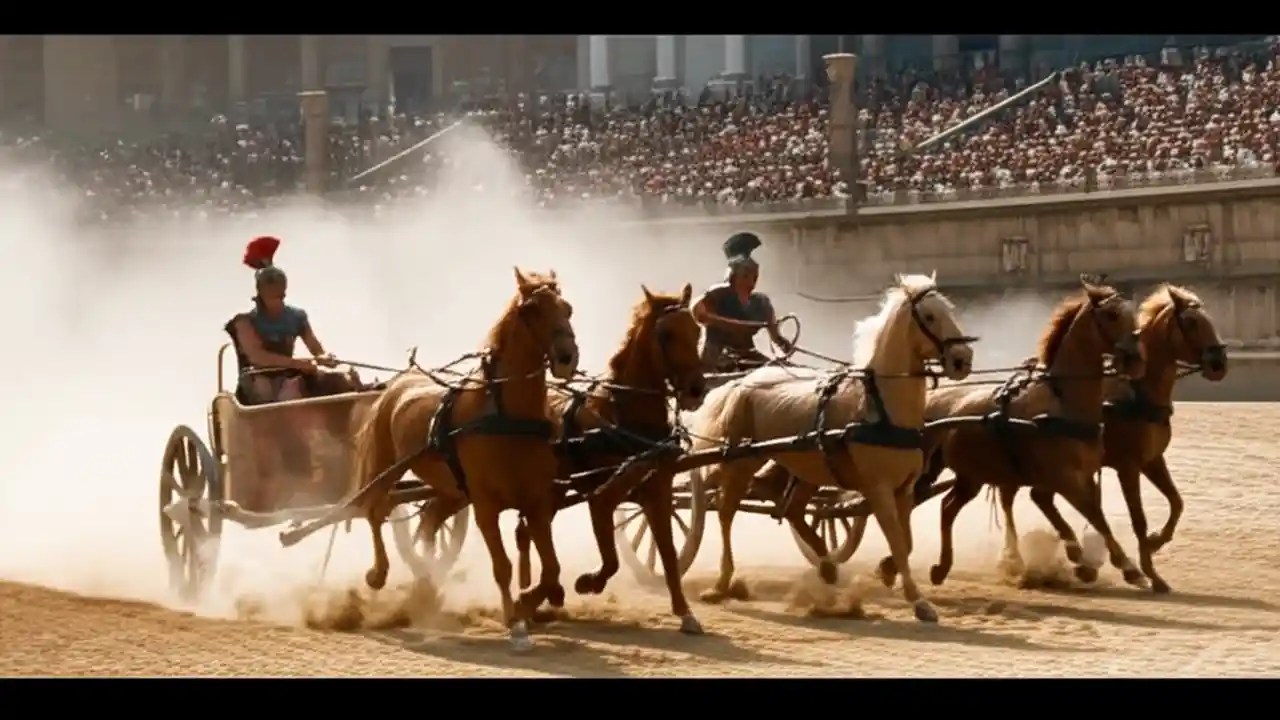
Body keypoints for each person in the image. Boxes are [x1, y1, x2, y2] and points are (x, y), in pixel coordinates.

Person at [224, 235, 350, 405]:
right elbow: (259, 358)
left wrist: (325, 358)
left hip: (290, 376)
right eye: (272, 297)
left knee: (340, 379)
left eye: (280, 296)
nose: (278, 302)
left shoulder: (297, 317)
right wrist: (299, 364)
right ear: (260, 294)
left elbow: (316, 350)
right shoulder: (244, 322)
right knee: (273, 390)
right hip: (257, 381)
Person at [692, 231, 794, 372]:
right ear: (732, 276)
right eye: (745, 275)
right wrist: (730, 324)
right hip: (716, 358)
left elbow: (776, 337)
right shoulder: (719, 294)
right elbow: (697, 312)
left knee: (785, 372)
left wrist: (786, 346)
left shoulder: (761, 303)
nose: (751, 282)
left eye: (754, 276)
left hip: (748, 357)